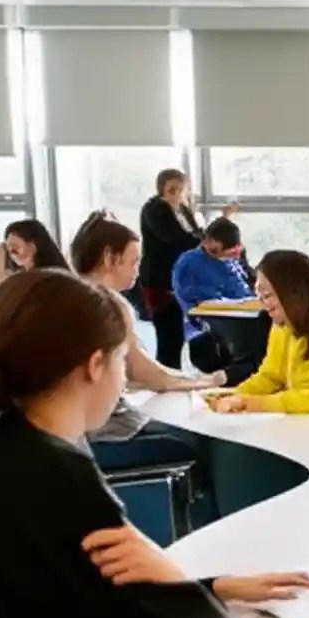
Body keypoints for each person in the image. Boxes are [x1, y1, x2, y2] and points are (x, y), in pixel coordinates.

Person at [0, 269, 309, 618]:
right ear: (95, 366)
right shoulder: (61, 477)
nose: (124, 377)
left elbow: (78, 596)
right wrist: (170, 578)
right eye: (124, 359)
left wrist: (210, 587)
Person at [69, 212, 224, 475]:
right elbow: (149, 375)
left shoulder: (65, 295)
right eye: (133, 261)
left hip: (73, 433)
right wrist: (209, 382)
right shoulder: (110, 305)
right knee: (204, 440)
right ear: (110, 258)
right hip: (105, 433)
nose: (138, 270)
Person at [210, 250, 309, 414]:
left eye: (267, 295)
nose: (263, 303)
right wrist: (232, 396)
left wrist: (254, 404)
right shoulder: (283, 325)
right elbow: (270, 377)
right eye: (259, 296)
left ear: (294, 294)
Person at [140, 169, 242, 369]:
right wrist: (212, 238)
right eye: (171, 189)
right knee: (169, 336)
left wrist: (222, 222)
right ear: (161, 189)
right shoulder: (154, 210)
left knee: (179, 335)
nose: (177, 193)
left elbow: (197, 234)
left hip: (180, 279)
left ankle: (172, 376)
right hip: (160, 281)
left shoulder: (183, 209)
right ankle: (166, 378)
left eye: (180, 188)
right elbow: (178, 238)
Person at [172, 217, 256, 382]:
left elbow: (242, 289)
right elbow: (186, 294)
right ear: (209, 241)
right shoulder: (189, 261)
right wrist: (216, 299)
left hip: (239, 322)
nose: (225, 256)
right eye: (220, 250)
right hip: (205, 328)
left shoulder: (230, 260)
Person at [2, 219, 69, 272]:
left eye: (15, 247)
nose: (11, 253)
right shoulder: (21, 275)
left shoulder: (52, 277)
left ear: (33, 246)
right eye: (8, 249)